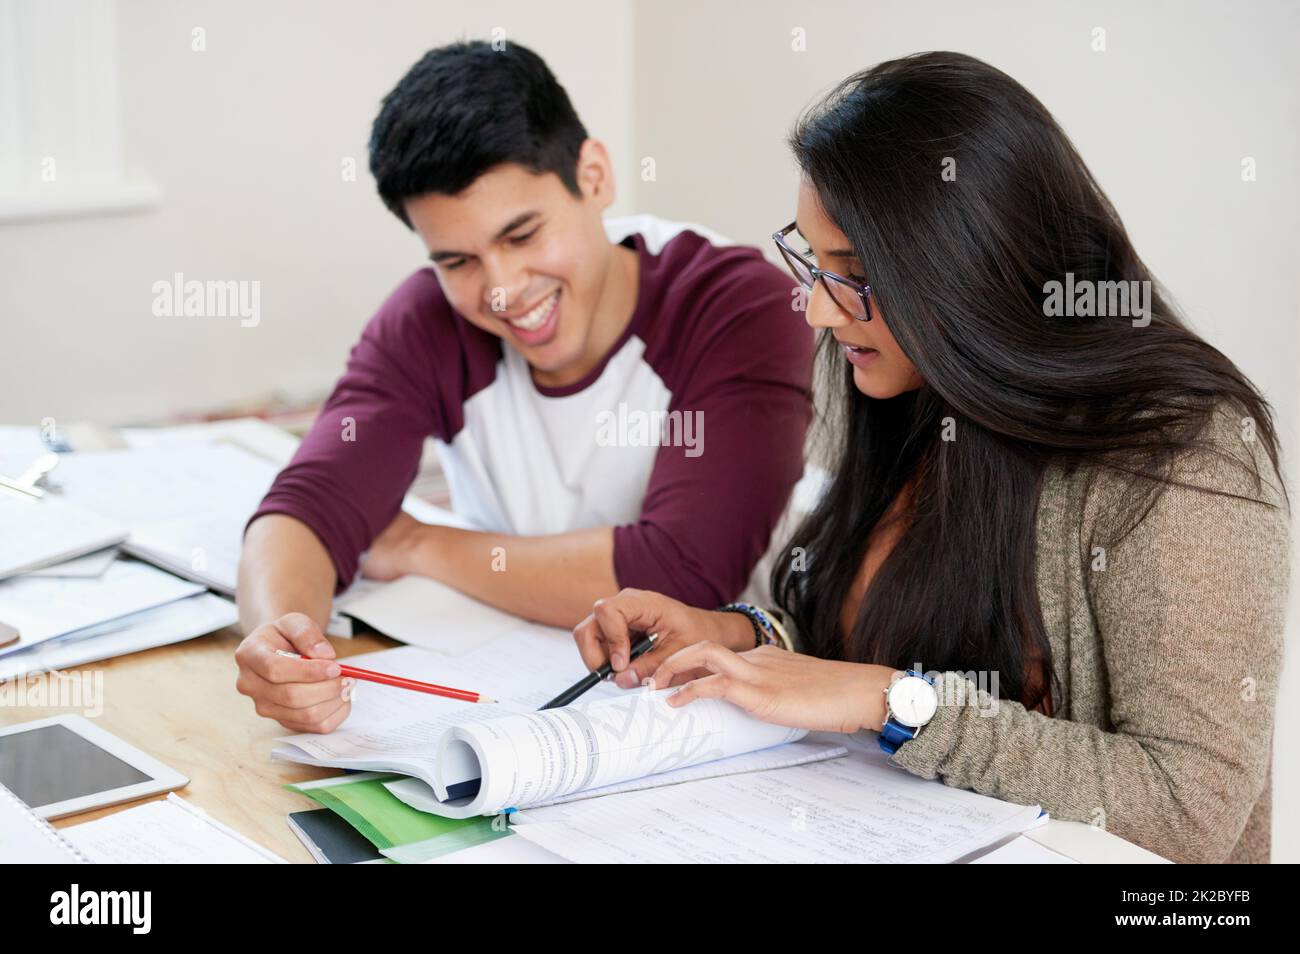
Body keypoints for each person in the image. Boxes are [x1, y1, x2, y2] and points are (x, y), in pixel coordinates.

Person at [571, 52, 1290, 864]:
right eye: (811, 261)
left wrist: (894, 704)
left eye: (858, 275)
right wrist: (738, 634)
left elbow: (1187, 813)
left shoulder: (1183, 458)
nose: (814, 308)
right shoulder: (910, 380)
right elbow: (865, 634)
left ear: (975, 269)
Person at [234, 41, 814, 734]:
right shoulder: (428, 317)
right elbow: (307, 505)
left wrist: (421, 545)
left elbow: (683, 573)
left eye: (522, 234)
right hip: (528, 691)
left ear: (593, 176)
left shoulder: (737, 306)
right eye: (457, 259)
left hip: (734, 712)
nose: (502, 291)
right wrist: (279, 639)